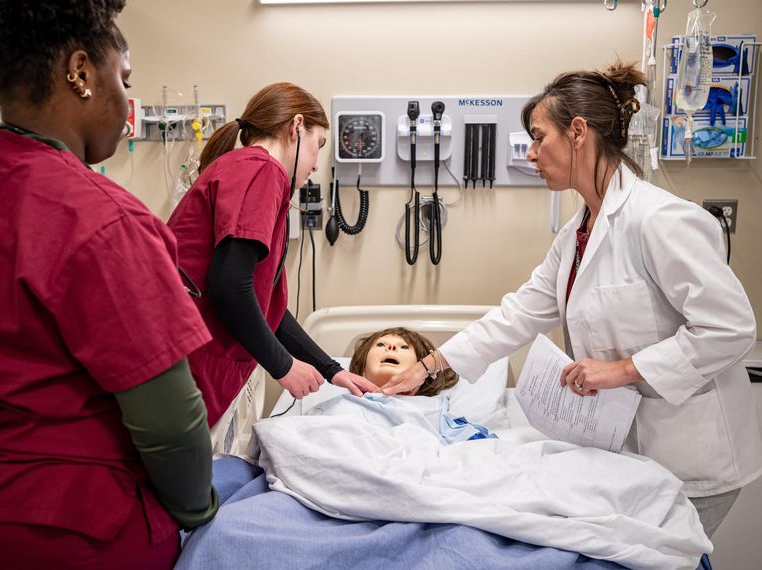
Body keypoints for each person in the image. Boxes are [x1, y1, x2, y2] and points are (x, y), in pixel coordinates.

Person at [382, 60, 762, 538]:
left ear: (578, 132)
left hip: (693, 458)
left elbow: (730, 328)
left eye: (540, 138)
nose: (531, 154)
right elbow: (517, 314)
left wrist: (622, 370)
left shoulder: (661, 220)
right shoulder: (575, 235)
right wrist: (430, 364)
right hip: (632, 456)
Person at [0, 1, 218, 567]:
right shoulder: (97, 219)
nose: (127, 105)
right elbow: (171, 423)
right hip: (75, 529)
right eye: (125, 80)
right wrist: (199, 516)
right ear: (80, 72)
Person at [167, 83, 378, 430]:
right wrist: (283, 366)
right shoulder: (260, 170)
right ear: (296, 127)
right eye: (318, 146)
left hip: (190, 367)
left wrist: (332, 370)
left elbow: (269, 311)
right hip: (185, 365)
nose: (315, 166)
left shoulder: (252, 173)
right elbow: (230, 287)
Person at [350, 327, 458, 396]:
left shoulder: (435, 410)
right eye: (381, 345)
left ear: (423, 373)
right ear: (362, 371)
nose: (392, 347)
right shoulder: (347, 405)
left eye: (405, 347)